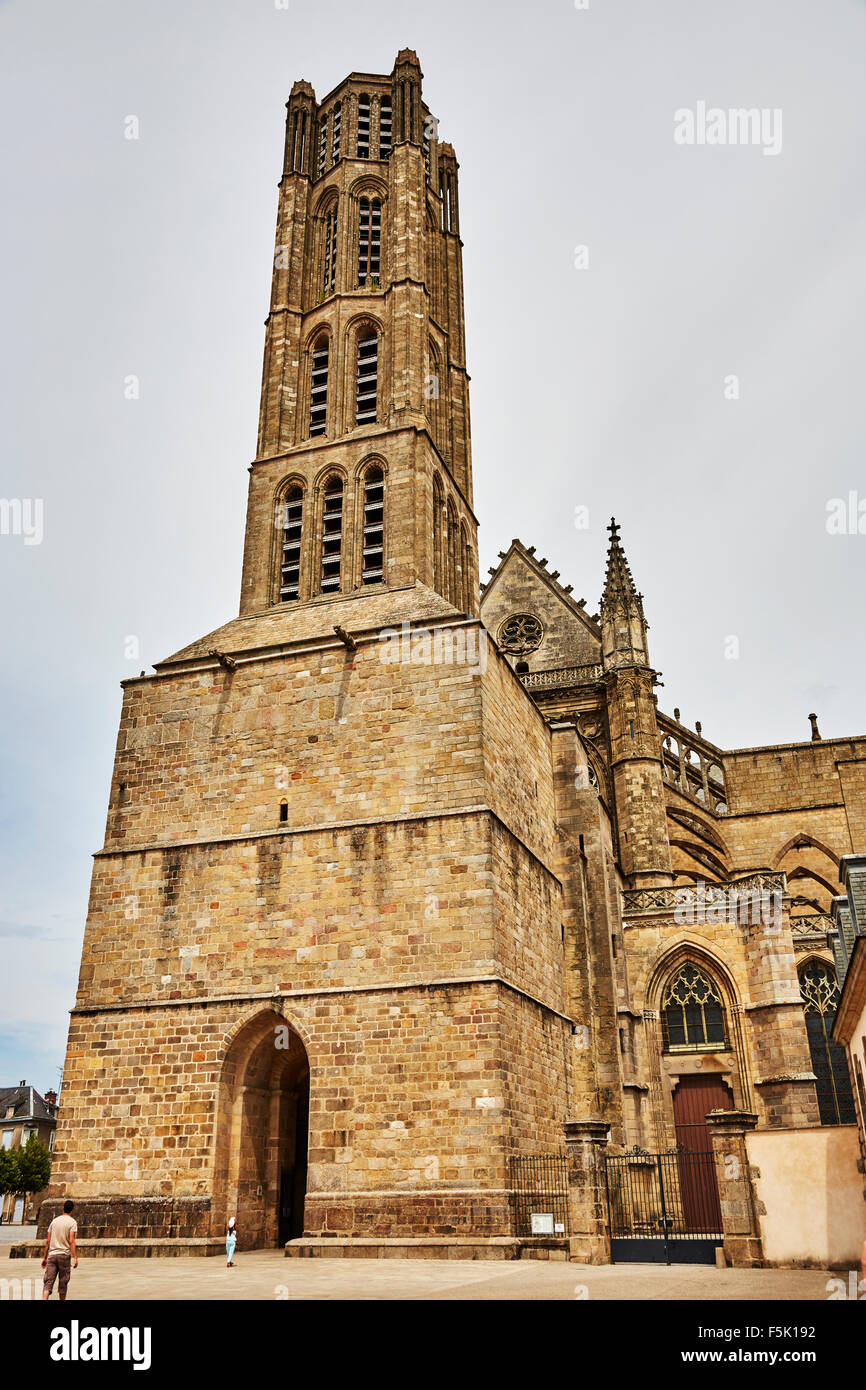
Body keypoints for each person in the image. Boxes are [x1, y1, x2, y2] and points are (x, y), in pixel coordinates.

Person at [41, 1199, 78, 1301]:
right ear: (72, 1210)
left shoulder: (54, 1221)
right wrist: (75, 1257)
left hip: (52, 1255)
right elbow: (71, 1241)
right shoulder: (72, 1222)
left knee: (48, 1283)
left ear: (63, 1208)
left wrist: (44, 1257)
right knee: (63, 1283)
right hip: (64, 1255)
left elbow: (48, 1241)